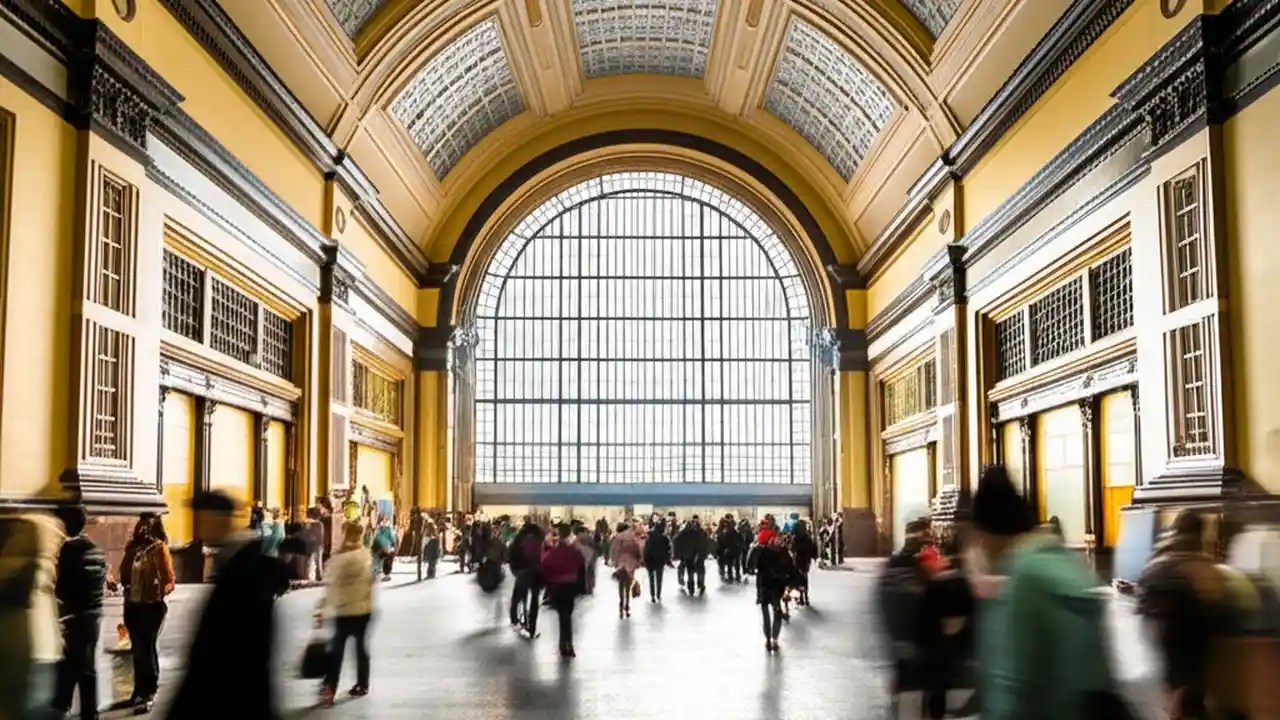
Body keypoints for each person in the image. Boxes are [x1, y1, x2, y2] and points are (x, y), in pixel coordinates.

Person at [969, 465, 1128, 719]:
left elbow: (1012, 691)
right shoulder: (1067, 564)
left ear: (987, 536)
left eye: (977, 539)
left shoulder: (1025, 579)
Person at [163, 491, 288, 719]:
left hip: (233, 700)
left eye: (203, 519)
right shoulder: (235, 563)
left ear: (220, 519)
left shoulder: (244, 572)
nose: (199, 527)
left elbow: (234, 652)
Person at [1136, 508, 1236, 719]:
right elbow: (1220, 606)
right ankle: (1182, 703)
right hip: (1195, 638)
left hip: (1162, 633)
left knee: (1176, 682)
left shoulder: (1157, 563)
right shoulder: (1206, 567)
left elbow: (1142, 600)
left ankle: (1176, 702)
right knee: (1190, 686)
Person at [53, 505, 106, 720]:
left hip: (73, 617)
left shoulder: (68, 551)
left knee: (66, 669)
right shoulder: (96, 549)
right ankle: (89, 713)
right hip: (93, 616)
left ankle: (60, 710)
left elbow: (61, 585)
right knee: (88, 670)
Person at [120, 515, 174, 714]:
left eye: (146, 527)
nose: (142, 530)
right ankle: (137, 691)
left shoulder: (159, 549)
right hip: (132, 605)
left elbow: (169, 579)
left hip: (152, 606)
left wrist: (160, 590)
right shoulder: (131, 549)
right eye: (139, 526)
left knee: (147, 647)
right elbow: (124, 575)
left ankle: (149, 691)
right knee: (137, 649)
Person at [321, 522, 375, 706]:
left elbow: (331, 585)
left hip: (343, 610)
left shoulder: (339, 558)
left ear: (345, 534)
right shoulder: (366, 555)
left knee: (337, 650)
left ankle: (330, 688)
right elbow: (370, 582)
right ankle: (362, 684)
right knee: (361, 648)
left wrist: (322, 608)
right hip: (363, 610)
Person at [541, 524, 585, 659]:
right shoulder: (575, 552)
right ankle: (569, 644)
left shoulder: (553, 553)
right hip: (570, 587)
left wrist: (547, 587)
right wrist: (581, 587)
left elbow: (545, 568)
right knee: (568, 616)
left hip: (557, 587)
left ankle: (562, 644)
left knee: (562, 616)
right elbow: (581, 568)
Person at [753, 523, 794, 652]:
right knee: (766, 615)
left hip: (777, 588)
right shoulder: (763, 551)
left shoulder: (784, 552)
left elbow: (791, 570)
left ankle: (775, 639)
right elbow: (757, 569)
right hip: (766, 587)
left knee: (777, 612)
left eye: (780, 538)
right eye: (776, 538)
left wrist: (789, 584)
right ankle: (768, 639)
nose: (778, 540)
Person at [508, 519, 545, 638]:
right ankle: (532, 627)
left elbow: (511, 555)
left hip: (522, 572)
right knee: (534, 599)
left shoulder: (518, 540)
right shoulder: (540, 540)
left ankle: (514, 619)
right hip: (536, 573)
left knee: (517, 596)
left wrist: (516, 570)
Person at [610, 521, 642, 618]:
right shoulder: (632, 537)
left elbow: (614, 550)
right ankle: (627, 604)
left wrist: (614, 561)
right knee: (628, 585)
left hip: (620, 563)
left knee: (621, 585)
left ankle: (621, 603)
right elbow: (637, 549)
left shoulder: (617, 537)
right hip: (630, 564)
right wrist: (639, 560)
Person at [675, 517, 708, 595]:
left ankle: (691, 587)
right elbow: (705, 544)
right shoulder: (701, 532)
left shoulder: (684, 533)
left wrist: (679, 554)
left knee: (690, 572)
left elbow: (677, 542)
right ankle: (700, 584)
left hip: (688, 556)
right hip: (699, 555)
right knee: (700, 571)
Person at [643, 521, 673, 602]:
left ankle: (652, 595)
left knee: (651, 579)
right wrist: (668, 561)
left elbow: (645, 549)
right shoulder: (664, 538)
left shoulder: (649, 537)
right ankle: (658, 595)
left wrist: (644, 560)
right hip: (660, 561)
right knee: (659, 578)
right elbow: (667, 551)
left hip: (650, 560)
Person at [791, 520, 819, 606]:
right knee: (804, 578)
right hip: (806, 561)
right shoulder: (807, 537)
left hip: (798, 560)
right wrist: (814, 557)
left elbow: (793, 549)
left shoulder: (795, 537)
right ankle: (805, 597)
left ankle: (801, 597)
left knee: (798, 579)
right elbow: (813, 548)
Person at [717, 515, 743, 583]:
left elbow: (725, 540)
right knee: (735, 563)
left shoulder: (728, 531)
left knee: (730, 564)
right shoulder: (736, 530)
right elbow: (740, 540)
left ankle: (731, 577)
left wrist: (726, 548)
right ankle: (737, 576)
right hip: (736, 549)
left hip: (730, 549)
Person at [573, 523, 598, 595]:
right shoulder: (589, 537)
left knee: (584, 574)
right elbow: (594, 547)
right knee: (591, 573)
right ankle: (590, 589)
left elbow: (575, 548)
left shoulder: (577, 538)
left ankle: (585, 589)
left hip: (582, 557)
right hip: (591, 556)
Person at [371, 517, 396, 581]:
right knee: (385, 558)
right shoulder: (386, 530)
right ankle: (382, 573)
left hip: (384, 549)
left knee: (379, 558)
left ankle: (378, 571)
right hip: (385, 549)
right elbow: (393, 540)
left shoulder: (382, 530)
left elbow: (376, 540)